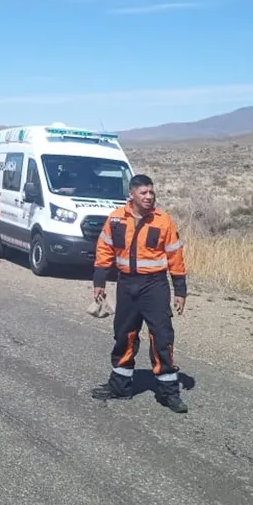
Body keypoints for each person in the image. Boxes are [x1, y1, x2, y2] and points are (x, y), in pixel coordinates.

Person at [89, 174, 189, 413]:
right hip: (126, 284)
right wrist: (99, 280)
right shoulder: (115, 219)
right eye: (143, 193)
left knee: (162, 337)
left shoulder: (163, 221)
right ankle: (120, 385)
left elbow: (175, 256)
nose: (149, 196)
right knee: (124, 335)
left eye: (151, 192)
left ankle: (168, 392)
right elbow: (104, 249)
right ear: (131, 195)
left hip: (154, 286)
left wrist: (180, 289)